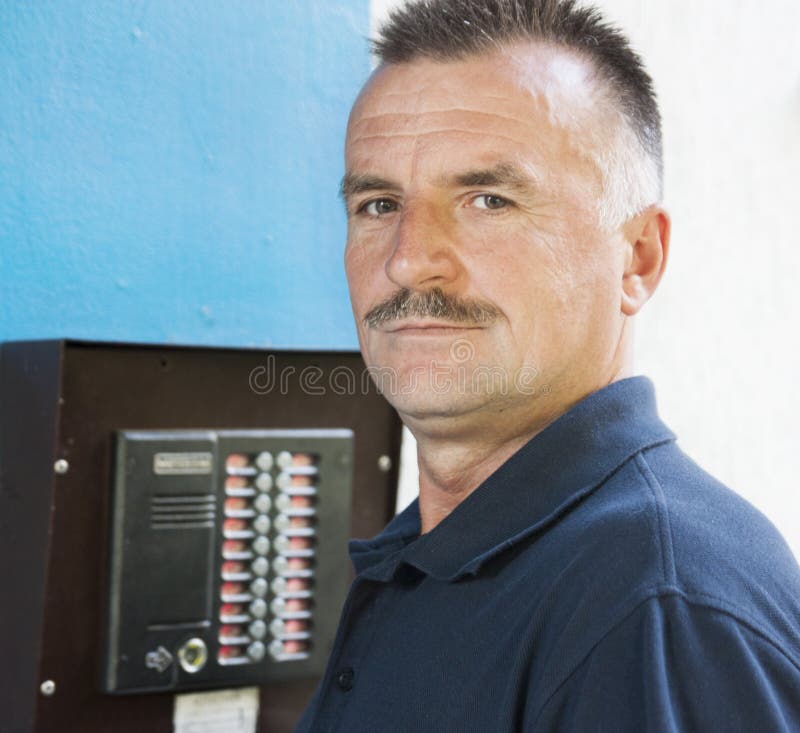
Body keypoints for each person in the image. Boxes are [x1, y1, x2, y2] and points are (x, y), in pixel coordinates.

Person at [295, 0, 800, 729]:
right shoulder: (441, 554)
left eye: (487, 199)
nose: (408, 262)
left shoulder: (653, 612)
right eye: (378, 204)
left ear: (638, 258)